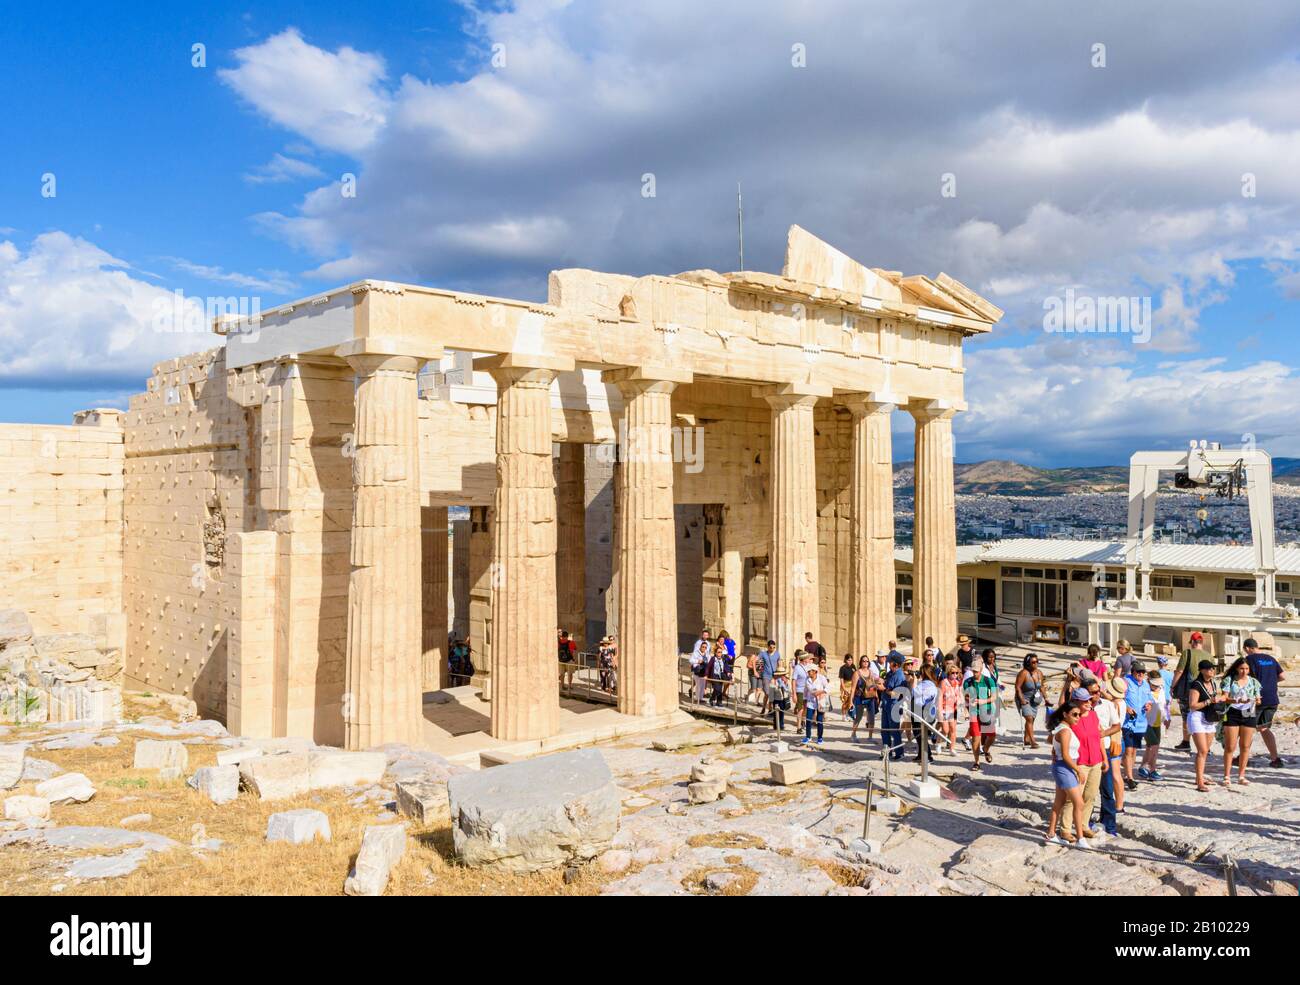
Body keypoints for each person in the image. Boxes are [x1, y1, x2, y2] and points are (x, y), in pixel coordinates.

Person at [1045, 699, 1089, 846]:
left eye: (1079, 714)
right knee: (1079, 803)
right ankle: (1080, 839)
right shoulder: (1065, 731)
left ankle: (1051, 834)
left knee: (1059, 802)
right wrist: (1079, 770)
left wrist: (1054, 751)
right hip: (1065, 767)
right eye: (1074, 714)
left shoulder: (1061, 728)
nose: (1078, 717)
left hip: (1063, 766)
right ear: (1065, 714)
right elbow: (1065, 755)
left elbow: (1053, 744)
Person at [1243, 638, 1286, 768]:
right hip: (1272, 699)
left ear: (1247, 648)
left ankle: (1243, 758)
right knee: (1264, 728)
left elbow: (1244, 677)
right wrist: (1270, 682)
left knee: (1247, 728)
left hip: (1255, 699)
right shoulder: (1271, 659)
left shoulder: (1249, 659)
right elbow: (1283, 676)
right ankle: (1275, 759)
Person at [1187, 659, 1227, 791]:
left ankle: (1199, 777)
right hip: (1197, 717)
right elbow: (1192, 705)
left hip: (1209, 718)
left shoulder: (1213, 683)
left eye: (1213, 668)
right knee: (1202, 750)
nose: (1212, 670)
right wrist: (1209, 701)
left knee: (1205, 751)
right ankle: (1200, 782)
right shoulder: (1196, 684)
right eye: (1209, 668)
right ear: (1202, 670)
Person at [1221, 656, 1261, 786]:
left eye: (1246, 669)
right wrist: (1236, 700)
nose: (1244, 671)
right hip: (1233, 712)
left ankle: (1241, 776)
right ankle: (1227, 775)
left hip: (1249, 712)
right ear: (1237, 668)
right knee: (1230, 746)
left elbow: (1259, 700)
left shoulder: (1254, 682)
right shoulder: (1229, 680)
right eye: (1242, 668)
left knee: (1245, 746)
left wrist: (1254, 700)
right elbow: (1224, 697)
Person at [1171, 632, 1209, 751]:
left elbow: (1179, 671)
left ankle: (1186, 742)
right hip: (1205, 690)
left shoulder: (1187, 653)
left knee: (1186, 716)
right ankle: (1205, 746)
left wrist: (1173, 686)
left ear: (1192, 642)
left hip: (1189, 690)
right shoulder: (1209, 655)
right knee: (1204, 717)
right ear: (1202, 642)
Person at [1120, 662, 1153, 791]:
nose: (1141, 674)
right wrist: (1126, 707)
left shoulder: (1145, 684)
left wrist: (1149, 705)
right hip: (1128, 722)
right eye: (1138, 671)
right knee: (1129, 750)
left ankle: (1127, 774)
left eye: (1143, 672)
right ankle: (1130, 778)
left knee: (1133, 751)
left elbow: (1149, 698)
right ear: (1132, 671)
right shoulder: (1125, 681)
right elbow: (1117, 697)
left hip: (1141, 723)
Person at [963, 656, 998, 770]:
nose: (975, 673)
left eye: (977, 671)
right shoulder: (968, 681)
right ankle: (976, 762)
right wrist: (969, 699)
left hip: (986, 711)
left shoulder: (988, 680)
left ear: (981, 669)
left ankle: (986, 749)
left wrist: (984, 701)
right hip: (974, 712)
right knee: (975, 738)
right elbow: (966, 695)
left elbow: (994, 697)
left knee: (992, 736)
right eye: (973, 671)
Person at [1138, 672, 1168, 781]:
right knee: (1154, 745)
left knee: (1150, 747)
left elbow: (1165, 706)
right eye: (1154, 684)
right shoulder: (1144, 691)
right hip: (1146, 722)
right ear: (1148, 681)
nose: (1156, 686)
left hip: (1157, 722)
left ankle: (1145, 768)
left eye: (1158, 684)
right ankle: (1150, 769)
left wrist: (1167, 718)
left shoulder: (1162, 690)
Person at [1015, 653, 1047, 748]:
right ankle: (1033, 741)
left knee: (1031, 719)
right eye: (1033, 662)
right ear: (1028, 663)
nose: (1035, 664)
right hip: (1024, 698)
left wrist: (1046, 698)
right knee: (1029, 718)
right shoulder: (1023, 673)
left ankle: (1027, 738)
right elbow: (1017, 687)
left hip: (1034, 699)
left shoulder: (1039, 673)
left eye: (1037, 661)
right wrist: (1022, 699)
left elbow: (1041, 686)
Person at [880, 654, 907, 760]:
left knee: (894, 731)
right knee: (884, 730)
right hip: (886, 705)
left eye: (890, 662)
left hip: (894, 706)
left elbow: (897, 694)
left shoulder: (899, 676)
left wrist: (884, 689)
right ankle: (887, 752)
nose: (888, 663)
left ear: (895, 664)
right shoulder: (890, 673)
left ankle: (899, 753)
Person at [849, 655, 880, 743]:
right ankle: (853, 734)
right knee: (858, 717)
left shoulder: (870, 672)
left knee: (871, 717)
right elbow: (853, 688)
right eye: (864, 661)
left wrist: (876, 695)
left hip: (870, 697)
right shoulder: (857, 673)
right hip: (859, 697)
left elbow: (873, 685)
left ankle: (870, 737)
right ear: (860, 662)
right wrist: (850, 701)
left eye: (867, 661)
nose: (865, 662)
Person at [911, 665, 939, 762]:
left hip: (921, 711)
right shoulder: (929, 684)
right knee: (919, 734)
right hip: (923, 711)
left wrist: (915, 680)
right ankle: (921, 754)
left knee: (920, 735)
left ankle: (928, 756)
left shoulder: (927, 685)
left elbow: (914, 693)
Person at [802, 660, 829, 745]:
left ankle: (820, 737)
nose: (808, 673)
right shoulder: (807, 679)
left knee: (819, 720)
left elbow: (827, 688)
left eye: (809, 671)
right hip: (810, 702)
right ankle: (808, 737)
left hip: (821, 701)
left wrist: (821, 692)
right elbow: (808, 691)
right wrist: (804, 700)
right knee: (808, 719)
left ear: (814, 671)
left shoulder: (822, 678)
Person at [938, 663, 962, 754]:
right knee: (945, 730)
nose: (955, 675)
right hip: (944, 709)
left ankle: (952, 748)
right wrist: (940, 710)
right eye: (953, 673)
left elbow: (958, 695)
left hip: (953, 709)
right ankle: (938, 743)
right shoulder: (944, 682)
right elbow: (940, 697)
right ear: (948, 673)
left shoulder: (957, 683)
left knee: (953, 729)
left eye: (956, 673)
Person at [769, 646, 792, 732]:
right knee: (776, 713)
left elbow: (788, 690)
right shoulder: (774, 680)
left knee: (782, 713)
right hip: (776, 699)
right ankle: (776, 725)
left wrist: (786, 683)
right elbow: (771, 692)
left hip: (783, 698)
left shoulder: (785, 681)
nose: (782, 675)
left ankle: (781, 725)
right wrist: (771, 702)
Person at [758, 639, 781, 714]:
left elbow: (779, 664)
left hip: (774, 676)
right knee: (767, 693)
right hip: (766, 676)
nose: (772, 649)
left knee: (772, 694)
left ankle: (770, 709)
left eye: (774, 647)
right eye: (771, 647)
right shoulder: (763, 654)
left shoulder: (777, 654)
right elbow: (755, 659)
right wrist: (755, 670)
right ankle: (764, 708)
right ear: (768, 647)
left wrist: (780, 673)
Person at [707, 640, 729, 708]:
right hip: (714, 675)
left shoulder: (723, 659)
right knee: (717, 689)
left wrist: (728, 672)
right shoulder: (713, 659)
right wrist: (706, 675)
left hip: (721, 675)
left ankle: (719, 702)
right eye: (718, 652)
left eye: (721, 652)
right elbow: (708, 667)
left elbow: (726, 666)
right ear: (715, 653)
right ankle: (712, 699)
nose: (720, 654)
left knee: (719, 688)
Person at [792, 651, 810, 731]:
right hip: (800, 690)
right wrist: (794, 694)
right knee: (800, 709)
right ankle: (798, 727)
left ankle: (803, 721)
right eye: (807, 658)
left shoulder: (808, 666)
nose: (808, 659)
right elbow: (793, 681)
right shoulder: (797, 668)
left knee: (806, 708)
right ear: (804, 659)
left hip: (807, 690)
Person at [690, 639, 710, 703]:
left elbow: (709, 661)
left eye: (705, 647)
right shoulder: (696, 653)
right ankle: (697, 699)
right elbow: (691, 660)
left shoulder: (707, 654)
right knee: (698, 685)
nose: (704, 648)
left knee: (702, 685)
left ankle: (700, 698)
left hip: (704, 671)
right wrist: (698, 661)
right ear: (700, 647)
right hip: (697, 671)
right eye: (703, 647)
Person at [838, 653, 856, 720]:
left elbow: (855, 676)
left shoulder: (853, 666)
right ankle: (843, 715)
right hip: (845, 685)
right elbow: (841, 679)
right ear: (845, 660)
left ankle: (849, 714)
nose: (850, 662)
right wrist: (844, 689)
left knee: (850, 701)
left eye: (851, 660)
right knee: (845, 701)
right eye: (848, 660)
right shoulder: (842, 668)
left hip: (852, 685)